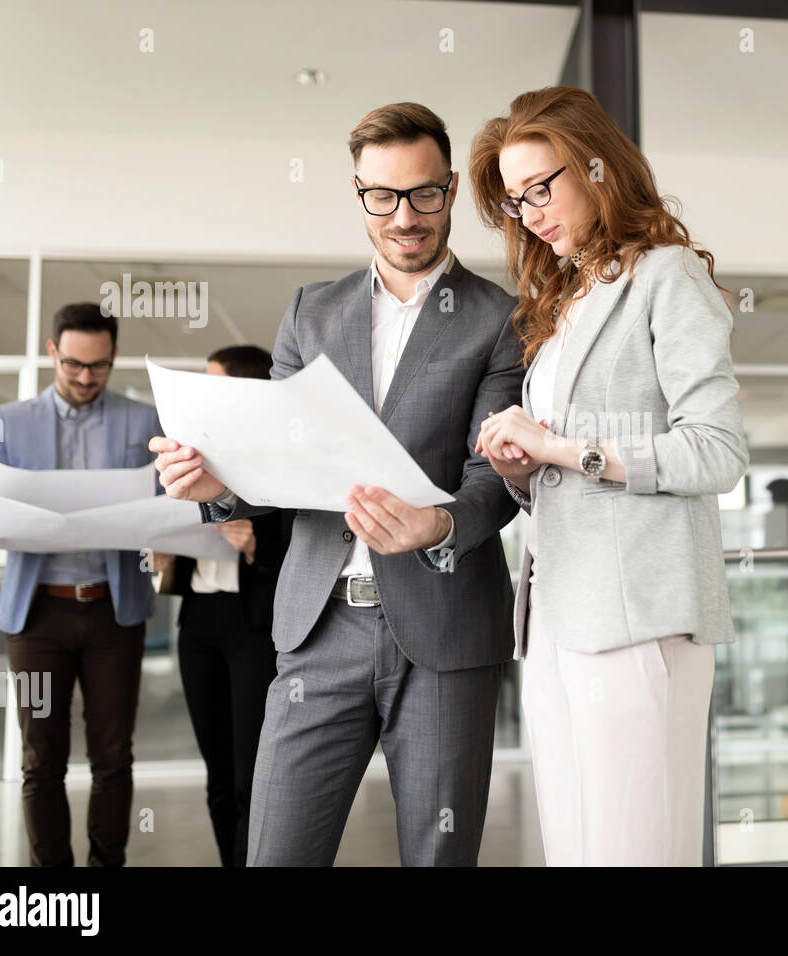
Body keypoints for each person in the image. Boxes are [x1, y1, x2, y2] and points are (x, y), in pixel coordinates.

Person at [150, 102, 524, 866]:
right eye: (381, 196)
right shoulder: (310, 312)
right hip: (318, 630)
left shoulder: (500, 320)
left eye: (423, 193)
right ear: (359, 195)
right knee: (278, 852)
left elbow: (496, 475)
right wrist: (215, 484)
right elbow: (276, 468)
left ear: (451, 190)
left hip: (445, 633)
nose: (405, 216)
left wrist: (439, 525)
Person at [470, 86, 748, 866]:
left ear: (596, 166)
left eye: (541, 187)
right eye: (515, 200)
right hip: (558, 615)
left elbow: (716, 451)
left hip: (641, 613)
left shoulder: (667, 276)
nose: (528, 213)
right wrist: (522, 466)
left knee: (636, 849)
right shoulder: (562, 303)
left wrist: (562, 448)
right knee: (575, 848)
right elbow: (564, 474)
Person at [0, 303, 162, 866]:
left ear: (112, 359)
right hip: (38, 618)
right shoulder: (8, 421)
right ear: (52, 353)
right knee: (41, 758)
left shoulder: (142, 423)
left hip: (114, 614)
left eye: (99, 366)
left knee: (113, 755)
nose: (85, 377)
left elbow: (166, 505)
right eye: (73, 364)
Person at [150, 345, 293, 867]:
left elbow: (304, 551)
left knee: (250, 769)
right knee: (216, 771)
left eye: (214, 383)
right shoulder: (190, 458)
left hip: (254, 627)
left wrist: (254, 542)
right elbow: (164, 525)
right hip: (199, 625)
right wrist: (160, 555)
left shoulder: (278, 461)